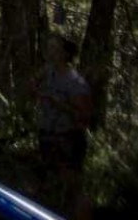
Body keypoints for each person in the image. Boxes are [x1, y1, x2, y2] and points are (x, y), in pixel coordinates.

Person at [35, 34, 93, 220]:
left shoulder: (76, 83)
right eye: (49, 48)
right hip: (48, 135)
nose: (50, 52)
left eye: (54, 49)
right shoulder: (48, 72)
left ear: (65, 53)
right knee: (49, 187)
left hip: (68, 139)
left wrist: (59, 104)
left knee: (74, 189)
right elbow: (31, 88)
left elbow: (84, 117)